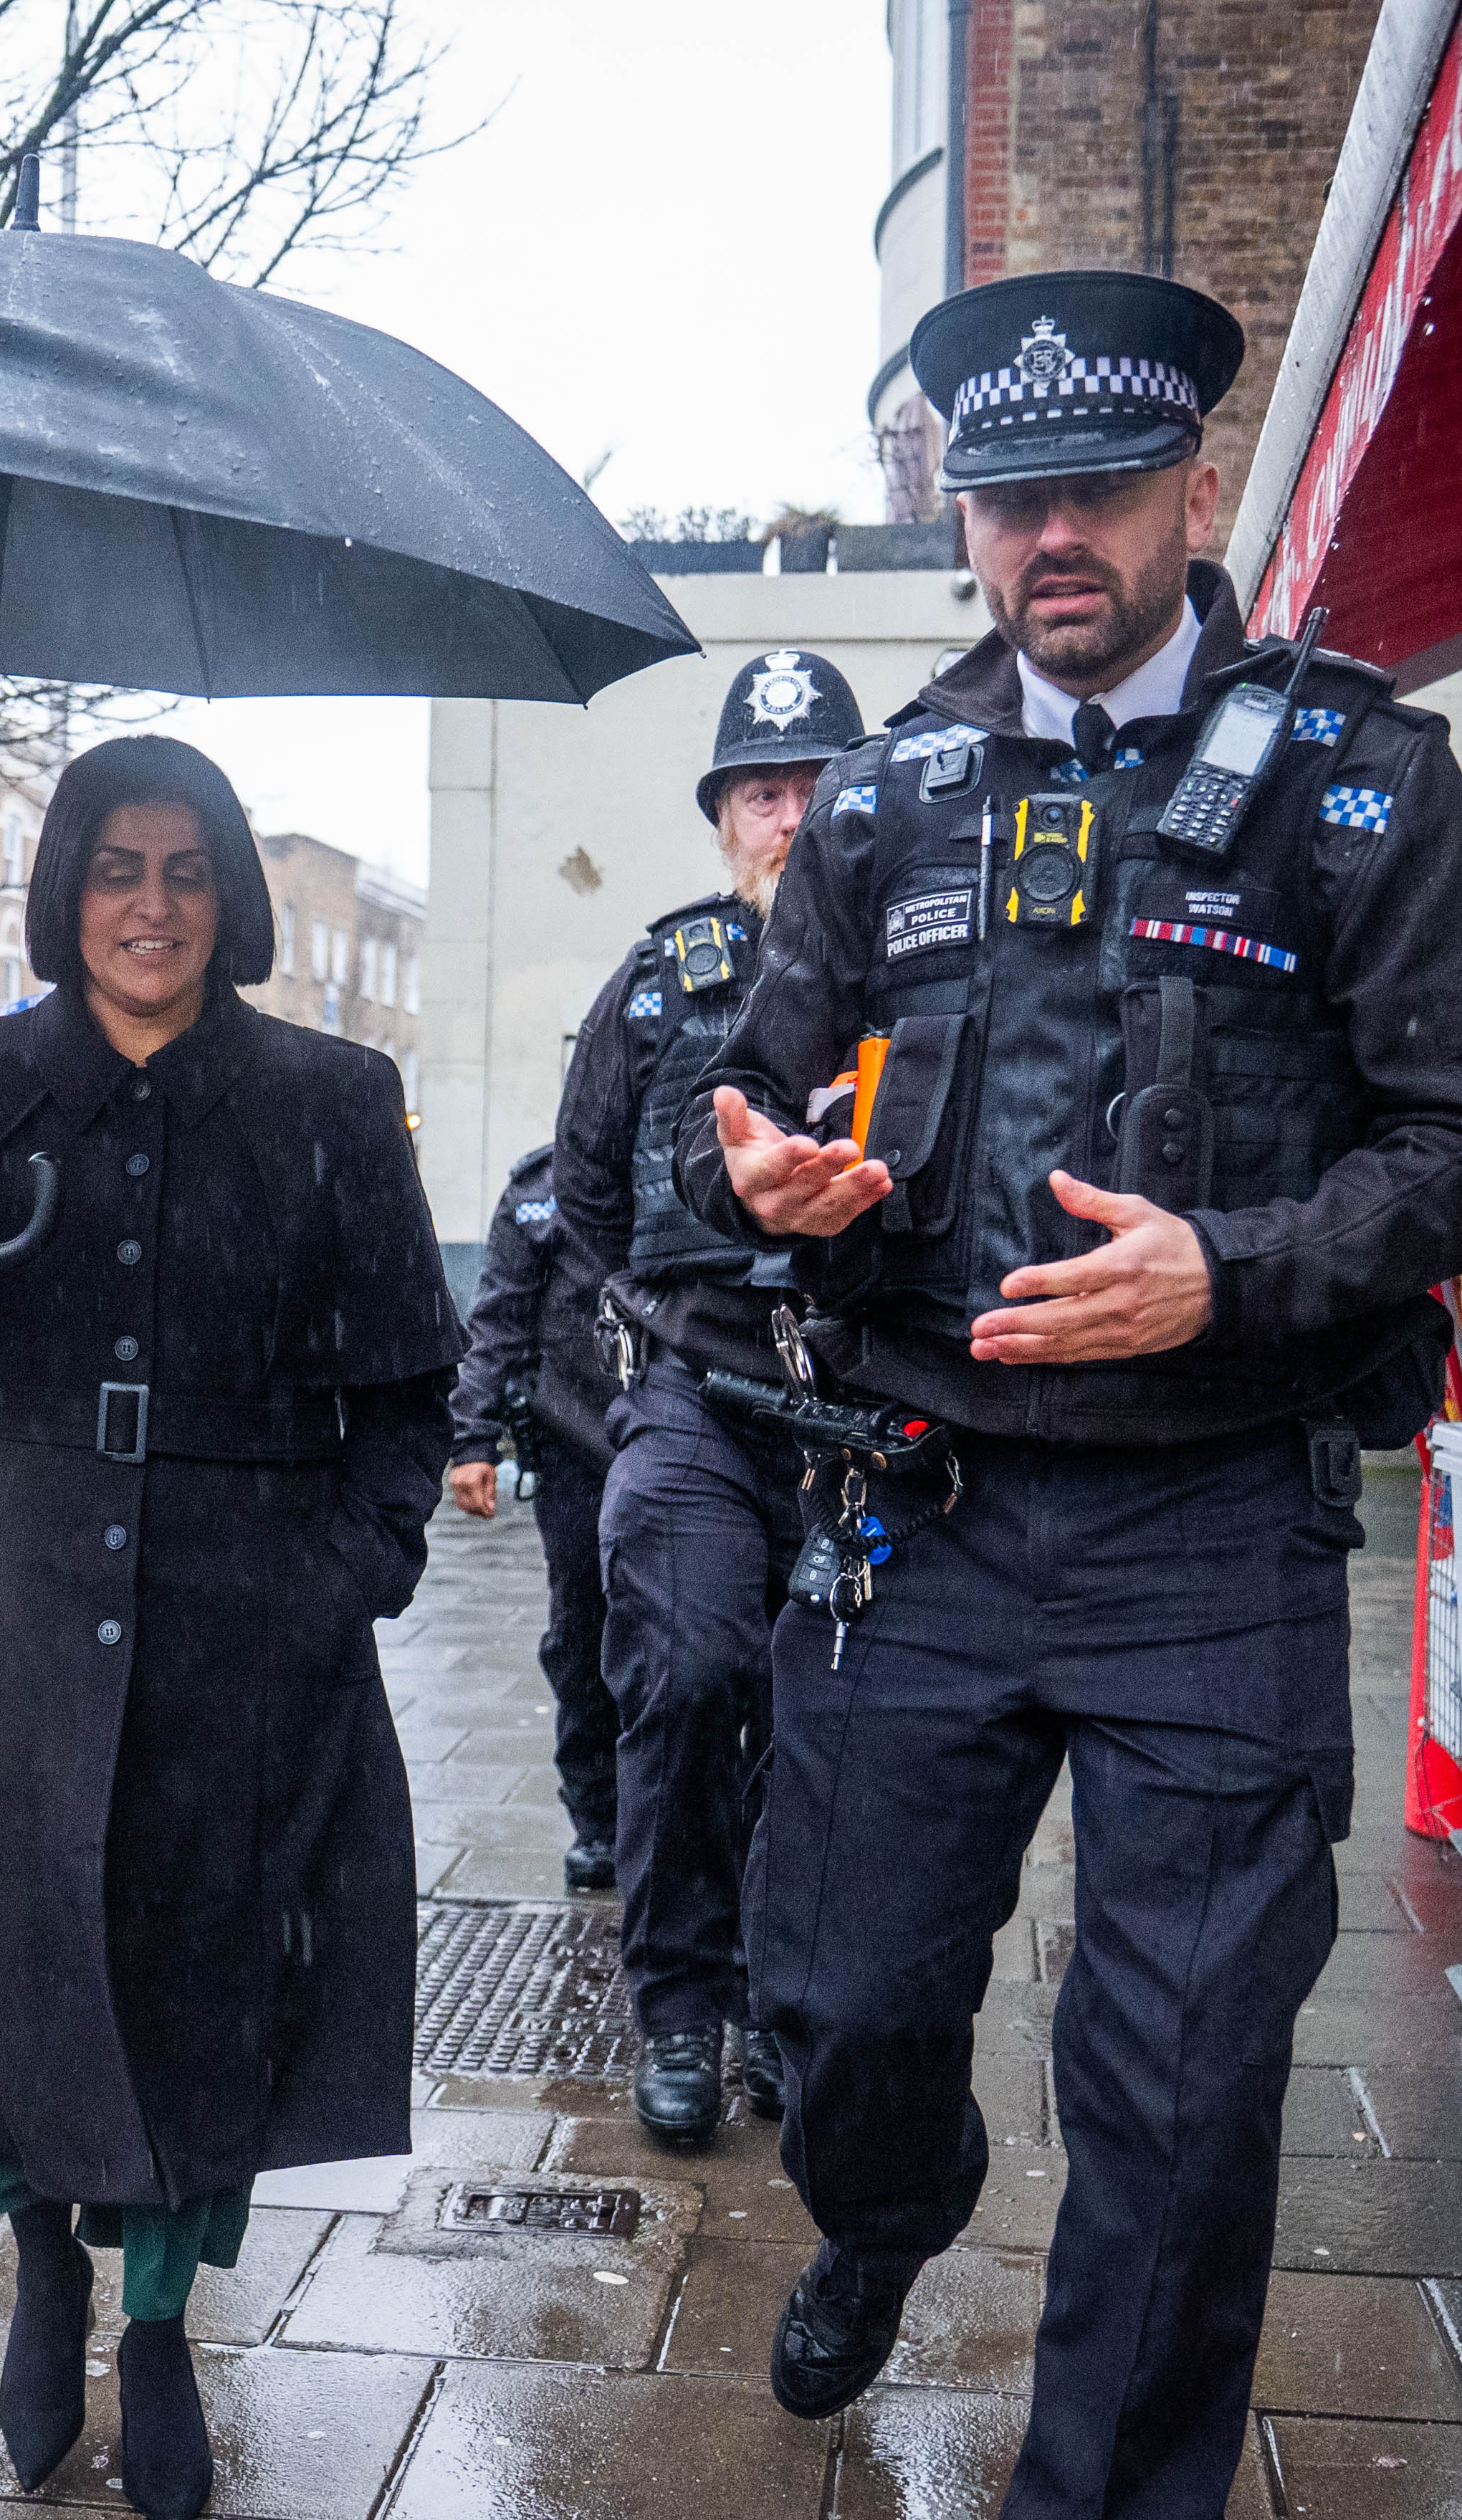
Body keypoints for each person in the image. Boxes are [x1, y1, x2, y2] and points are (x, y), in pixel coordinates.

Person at [673, 273, 1462, 2520]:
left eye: (1095, 488)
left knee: (1173, 2108)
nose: (1048, 535)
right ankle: (886, 2204)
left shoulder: (1355, 784)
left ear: (1189, 494)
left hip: (1205, 1529)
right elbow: (756, 1101)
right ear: (962, 517)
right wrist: (779, 1177)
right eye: (1004, 497)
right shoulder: (882, 802)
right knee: (839, 2002)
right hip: (924, 1506)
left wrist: (1231, 1271)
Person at [0, 734, 456, 2520]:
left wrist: (348, 1569)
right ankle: (40, 2268)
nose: (150, 907)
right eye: (114, 870)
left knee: (196, 1967)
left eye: (185, 870)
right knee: (10, 1951)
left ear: (228, 894)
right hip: (10, 1581)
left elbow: (408, 1388)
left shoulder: (330, 1097)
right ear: (62, 889)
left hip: (245, 1596)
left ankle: (156, 2322)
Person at [550, 648, 863, 2147]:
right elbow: (586, 1192)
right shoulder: (658, 981)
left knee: (831, 1718)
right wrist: (682, 1316)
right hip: (696, 1390)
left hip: (867, 1408)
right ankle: (679, 2001)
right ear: (722, 818)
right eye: (759, 793)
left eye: (814, 790)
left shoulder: (920, 970)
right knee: (682, 1675)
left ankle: (783, 1998)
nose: (787, 819)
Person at [443, 1144, 619, 1889]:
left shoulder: (686, 1165)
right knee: (583, 1642)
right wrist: (473, 1440)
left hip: (690, 1444)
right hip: (579, 1452)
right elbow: (499, 1321)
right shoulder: (539, 1191)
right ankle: (600, 1821)